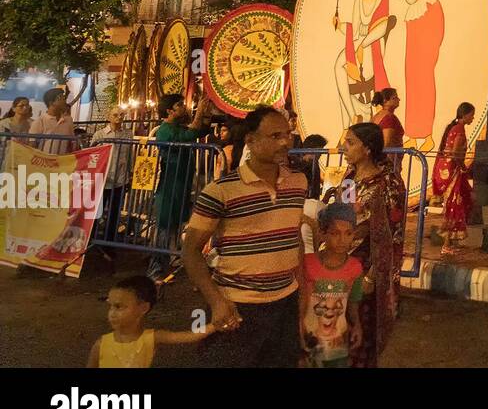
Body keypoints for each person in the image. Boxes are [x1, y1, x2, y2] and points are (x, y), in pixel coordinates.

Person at [182, 105, 306, 367]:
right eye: (275, 136)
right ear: (250, 140)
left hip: (285, 301)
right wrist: (216, 301)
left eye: (287, 134)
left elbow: (293, 240)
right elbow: (191, 250)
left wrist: (301, 296)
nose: (285, 142)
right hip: (238, 304)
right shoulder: (221, 191)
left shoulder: (298, 184)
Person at [334, 121, 407, 367]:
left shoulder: (388, 184)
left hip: (366, 266)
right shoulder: (348, 178)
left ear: (367, 149)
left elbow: (392, 234)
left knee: (361, 335)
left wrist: (371, 277)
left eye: (350, 143)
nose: (343, 148)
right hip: (340, 267)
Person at [378, 0, 445, 145]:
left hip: (427, 13)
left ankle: (427, 134)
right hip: (414, 16)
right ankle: (415, 133)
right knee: (412, 73)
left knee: (424, 72)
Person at [148, 93, 212, 282]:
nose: (184, 107)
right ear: (169, 111)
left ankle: (174, 258)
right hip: (169, 186)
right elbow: (191, 134)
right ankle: (155, 270)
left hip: (181, 184)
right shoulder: (165, 130)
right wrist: (199, 113)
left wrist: (205, 116)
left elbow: (200, 132)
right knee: (164, 227)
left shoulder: (176, 127)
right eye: (180, 105)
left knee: (175, 225)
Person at [87, 275, 212, 368]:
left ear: (143, 308)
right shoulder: (101, 345)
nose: (112, 313)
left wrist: (216, 324)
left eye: (119, 307)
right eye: (111, 306)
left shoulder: (151, 337)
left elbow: (190, 336)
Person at [300, 201, 365, 368]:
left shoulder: (355, 268)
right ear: (322, 233)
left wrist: (356, 324)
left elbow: (353, 302)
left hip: (338, 343)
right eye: (335, 233)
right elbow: (298, 303)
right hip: (307, 341)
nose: (342, 240)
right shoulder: (307, 264)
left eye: (348, 233)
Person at [432, 102, 475, 255]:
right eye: (472, 115)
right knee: (453, 205)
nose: (473, 118)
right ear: (465, 115)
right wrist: (463, 167)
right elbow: (456, 152)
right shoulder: (459, 130)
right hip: (452, 170)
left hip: (448, 168)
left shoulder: (455, 128)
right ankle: (447, 244)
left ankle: (451, 242)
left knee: (459, 202)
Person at [91, 109, 135, 260]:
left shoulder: (127, 134)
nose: (119, 118)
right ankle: (92, 240)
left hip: (120, 178)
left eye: (121, 115)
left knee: (115, 213)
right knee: (97, 211)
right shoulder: (100, 135)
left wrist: (130, 172)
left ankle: (108, 243)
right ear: (108, 116)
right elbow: (93, 155)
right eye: (115, 115)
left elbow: (129, 155)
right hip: (103, 179)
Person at [31, 87, 75, 153]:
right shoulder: (40, 121)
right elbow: (32, 144)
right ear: (51, 103)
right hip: (44, 161)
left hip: (63, 160)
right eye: (60, 98)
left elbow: (71, 142)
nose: (64, 100)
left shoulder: (68, 120)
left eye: (63, 97)